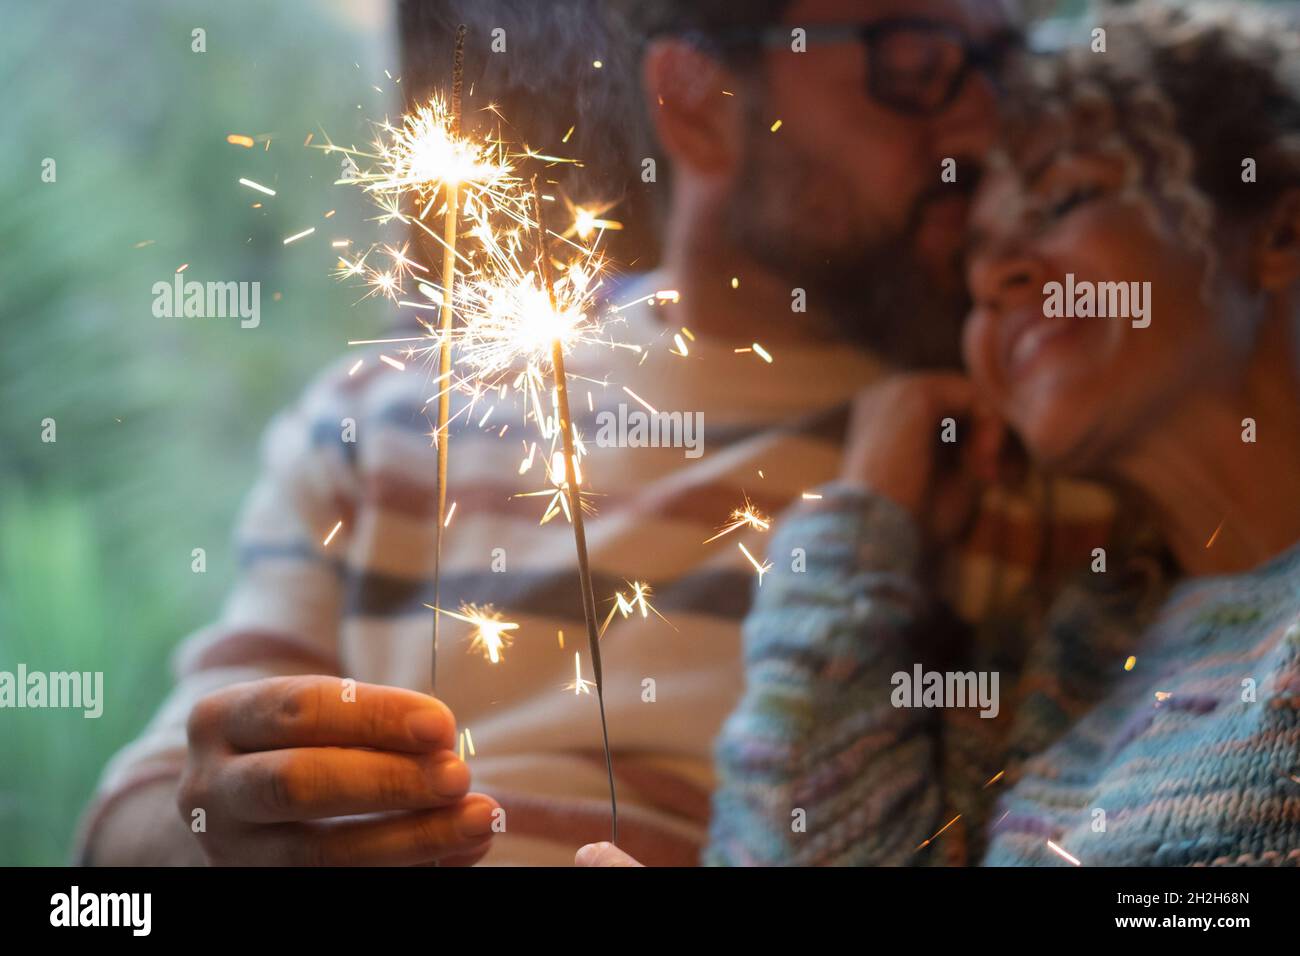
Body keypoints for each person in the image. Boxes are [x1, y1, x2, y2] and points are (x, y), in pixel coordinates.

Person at [79, 0, 1109, 867]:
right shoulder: (380, 415)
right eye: (917, 68)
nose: (981, 129)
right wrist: (224, 823)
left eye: (1000, 69)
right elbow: (121, 838)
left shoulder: (1022, 460)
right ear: (697, 102)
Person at [584, 0, 1300, 867]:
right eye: (980, 252)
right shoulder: (1069, 652)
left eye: (1068, 199)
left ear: (1280, 231)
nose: (997, 273)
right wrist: (862, 529)